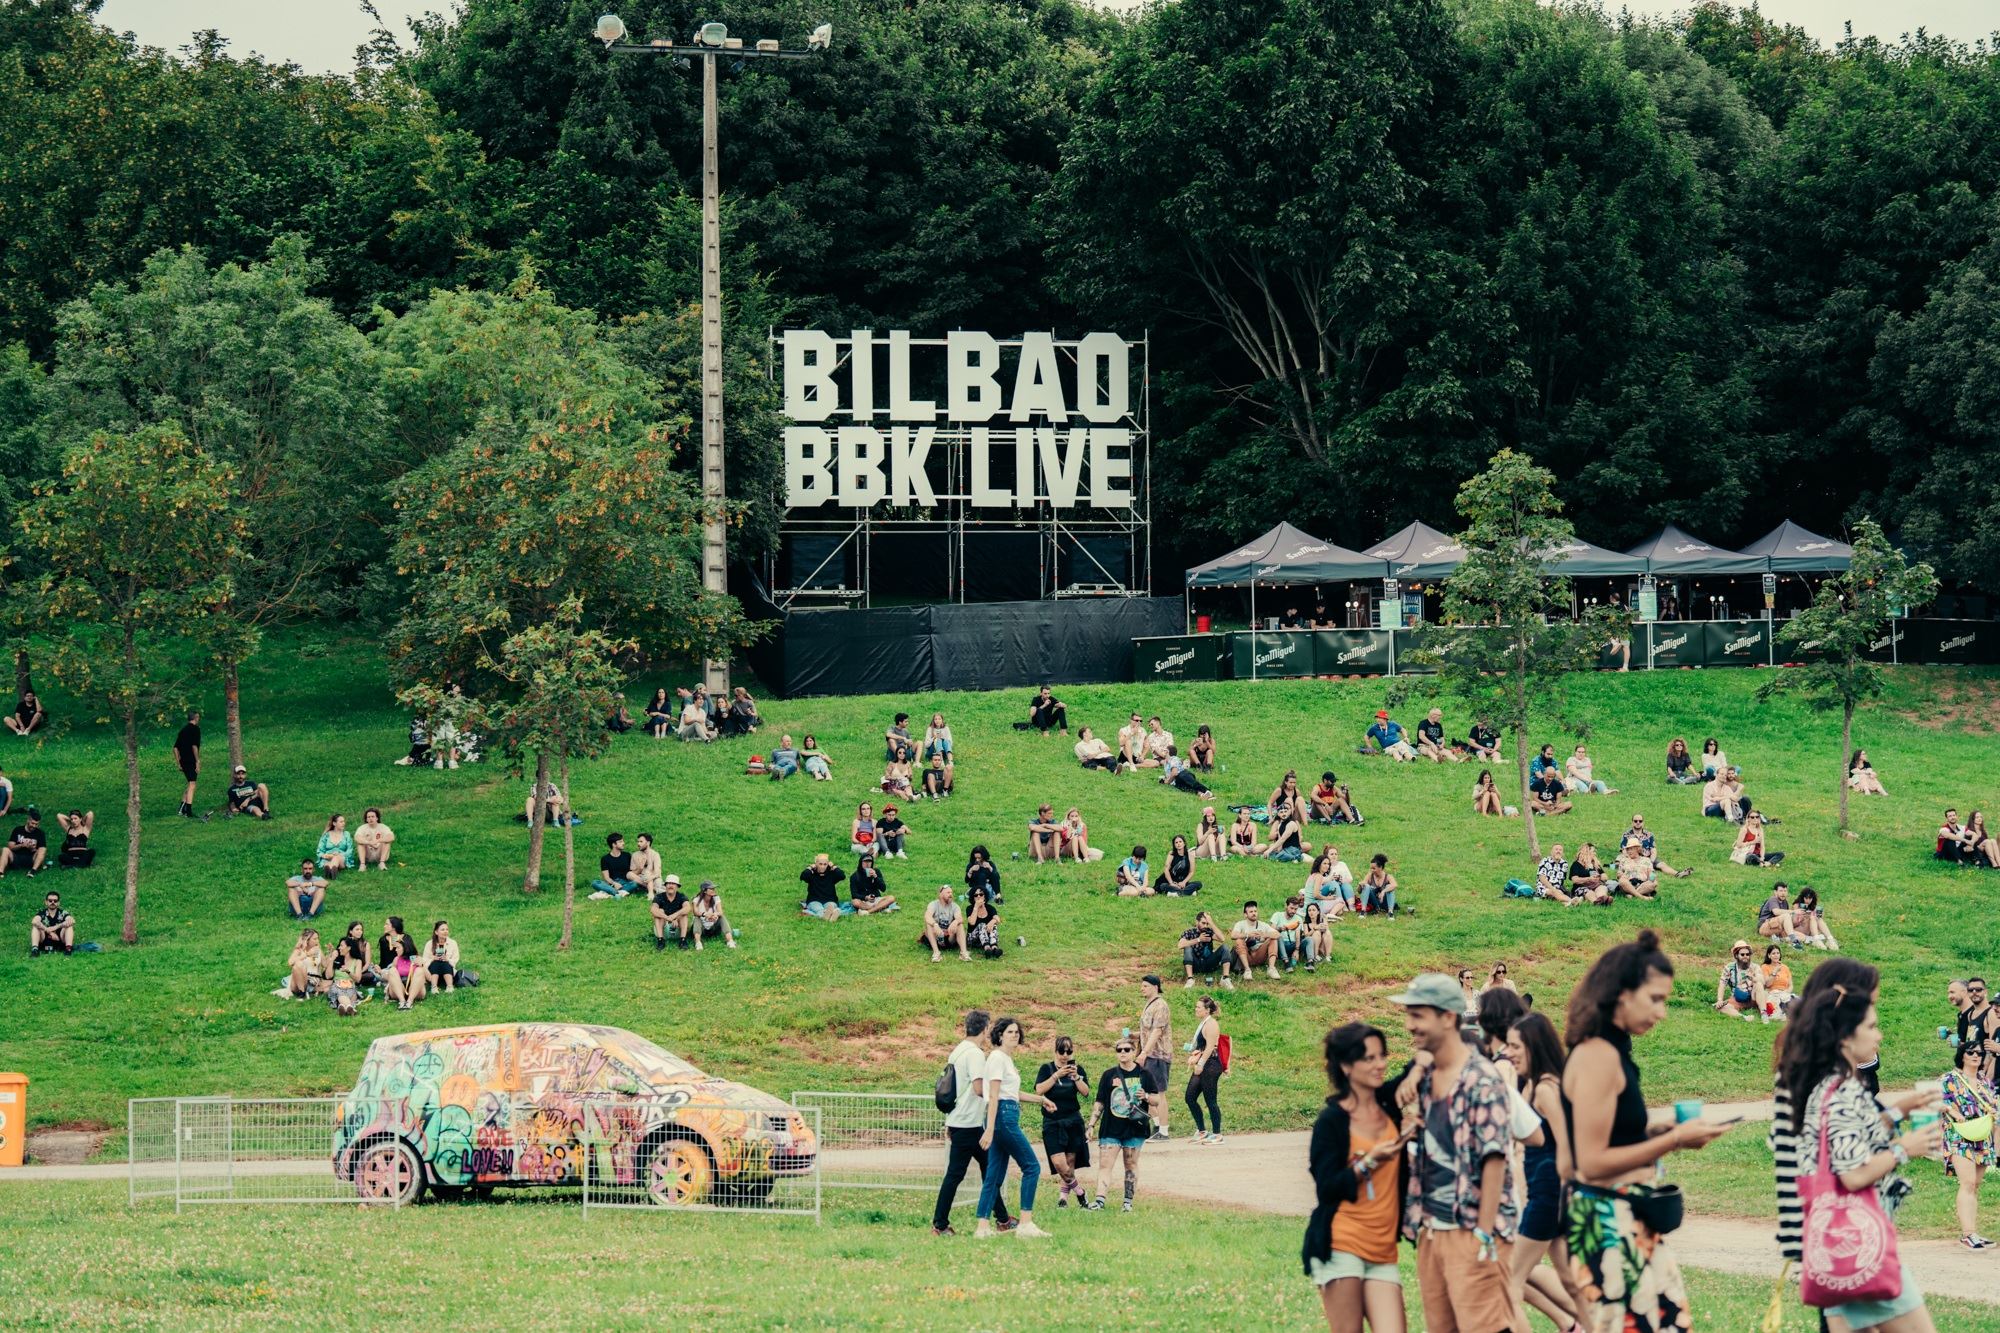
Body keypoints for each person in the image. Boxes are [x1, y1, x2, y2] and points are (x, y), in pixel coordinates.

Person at [1563, 931, 1734, 1333]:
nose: (1662, 1012)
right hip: (1608, 1226)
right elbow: (1588, 1161)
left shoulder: (1614, 1050)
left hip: (1630, 1222)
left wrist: (1660, 1129)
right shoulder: (1597, 1055)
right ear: (1622, 993)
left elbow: (1613, 1136)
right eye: (1656, 999)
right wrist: (1674, 1140)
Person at [1787, 980, 1945, 1330]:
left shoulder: (1826, 1085)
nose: (1879, 1036)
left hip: (1835, 1246)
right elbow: (1853, 1173)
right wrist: (1907, 1148)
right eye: (1871, 1027)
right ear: (1845, 1036)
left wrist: (1900, 1110)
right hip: (1859, 1247)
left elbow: (1847, 1143)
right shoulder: (1844, 1090)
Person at [1387, 971, 1525, 1333]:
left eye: (1418, 1015)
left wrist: (1483, 1233)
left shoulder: (1482, 1079)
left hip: (1473, 1228)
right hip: (1433, 1227)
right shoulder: (1431, 1075)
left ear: (1448, 1017)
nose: (1409, 1025)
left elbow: (1494, 1157)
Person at [1305, 1022, 1417, 1333]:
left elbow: (1419, 1068)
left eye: (1382, 1056)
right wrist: (1369, 1162)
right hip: (1342, 1242)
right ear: (1346, 1066)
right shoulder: (1331, 1121)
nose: (1380, 1064)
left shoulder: (1388, 1103)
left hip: (1383, 1248)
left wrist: (1419, 1069)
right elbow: (1327, 1188)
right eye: (1369, 1058)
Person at [1505, 1012, 1588, 1330]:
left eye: (1515, 1047)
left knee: (1509, 1281)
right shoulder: (1534, 1085)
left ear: (1534, 1047)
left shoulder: (1546, 1090)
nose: (1509, 1053)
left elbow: (1568, 1145)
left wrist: (1566, 1196)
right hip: (1549, 1193)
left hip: (1550, 1194)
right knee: (1571, 1282)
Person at [932, 1010, 1017, 1235]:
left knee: (987, 1169)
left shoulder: (958, 1051)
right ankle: (940, 1224)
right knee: (956, 1174)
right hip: (969, 1123)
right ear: (986, 1028)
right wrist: (999, 1093)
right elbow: (980, 1089)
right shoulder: (975, 1054)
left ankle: (1002, 1218)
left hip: (961, 1120)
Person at [974, 1016, 1048, 1238]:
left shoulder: (1006, 1060)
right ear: (999, 1035)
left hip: (1005, 1114)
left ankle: (983, 1227)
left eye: (1017, 1032)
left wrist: (1042, 1100)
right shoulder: (997, 1058)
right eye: (1009, 1032)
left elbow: (1011, 1093)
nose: (1014, 1035)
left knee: (994, 1175)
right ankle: (1025, 1224)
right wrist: (989, 1129)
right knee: (1032, 1166)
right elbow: (995, 1095)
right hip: (1003, 1117)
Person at [1088, 1033, 1163, 1212]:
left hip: (1134, 1128)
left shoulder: (1145, 1074)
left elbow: (1156, 1100)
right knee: (1105, 1164)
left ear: (1133, 1052)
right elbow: (1100, 1102)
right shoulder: (1108, 1075)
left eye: (1126, 1050)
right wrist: (1091, 1124)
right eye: (1119, 1050)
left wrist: (1144, 1095)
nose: (1122, 1053)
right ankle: (1099, 1200)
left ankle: (1128, 1202)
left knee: (1131, 1164)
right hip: (1110, 1128)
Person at [1941, 1040, 1997, 1249]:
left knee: (1976, 1185)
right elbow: (1935, 1100)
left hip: (1982, 1136)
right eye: (1971, 1052)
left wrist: (1993, 1111)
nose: (1976, 1056)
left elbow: (1993, 1105)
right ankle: (1968, 1233)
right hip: (1959, 1136)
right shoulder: (1950, 1078)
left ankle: (1972, 1231)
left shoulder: (1984, 1081)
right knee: (1968, 1183)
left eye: (1979, 1053)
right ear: (1962, 1055)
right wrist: (1953, 1112)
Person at [1034, 1036, 1093, 1207]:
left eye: (1069, 1051)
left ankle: (1063, 1198)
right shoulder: (1047, 1068)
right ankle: (1080, 1191)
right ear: (1055, 1051)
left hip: (1073, 1120)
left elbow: (1086, 1092)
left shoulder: (1077, 1069)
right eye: (1062, 1051)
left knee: (1070, 1162)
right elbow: (1039, 1090)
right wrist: (1056, 1075)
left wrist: (1076, 1078)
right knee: (1059, 1163)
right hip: (1052, 1121)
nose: (1065, 1055)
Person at [1137, 974, 1175, 1136]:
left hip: (1158, 1055)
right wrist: (1133, 1036)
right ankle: (1157, 1126)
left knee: (1159, 1094)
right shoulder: (1149, 1004)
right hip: (1149, 1054)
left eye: (1145, 986)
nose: (1142, 988)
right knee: (1146, 1093)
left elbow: (1158, 1031)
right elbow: (1148, 1030)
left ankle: (1164, 1131)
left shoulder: (1160, 1005)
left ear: (1155, 987)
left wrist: (1144, 1052)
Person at [1714, 940, 1768, 1022]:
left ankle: (1764, 1013)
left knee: (1758, 984)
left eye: (1747, 954)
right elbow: (1722, 984)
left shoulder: (1755, 967)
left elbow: (1762, 982)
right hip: (1737, 998)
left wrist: (1753, 978)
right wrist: (1720, 1000)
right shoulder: (1729, 967)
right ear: (1736, 955)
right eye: (1742, 954)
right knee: (1721, 1007)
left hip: (1754, 997)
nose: (1745, 956)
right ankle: (1744, 1017)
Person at [378, 917, 424, 1010]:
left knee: (420, 970)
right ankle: (402, 1002)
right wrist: (380, 970)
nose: (396, 950)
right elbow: (384, 961)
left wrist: (421, 964)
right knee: (392, 970)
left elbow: (424, 970)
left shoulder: (407, 940)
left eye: (387, 924)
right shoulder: (384, 940)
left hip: (414, 988)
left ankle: (409, 1002)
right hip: (395, 978)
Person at [1231, 900, 1281, 981]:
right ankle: (1247, 970)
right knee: (1239, 940)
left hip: (1260, 954)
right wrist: (1248, 935)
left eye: (1255, 911)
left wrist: (1264, 935)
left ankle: (1271, 969)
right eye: (1251, 912)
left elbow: (1278, 934)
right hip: (1247, 955)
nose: (1254, 913)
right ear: (1245, 915)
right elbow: (1233, 935)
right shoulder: (1240, 924)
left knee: (1273, 939)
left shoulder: (1263, 924)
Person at [1179, 913, 1232, 989]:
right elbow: (1180, 945)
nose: (1205, 926)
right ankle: (1190, 979)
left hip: (1209, 963)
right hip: (1195, 963)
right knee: (1187, 948)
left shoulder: (1209, 932)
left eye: (1207, 924)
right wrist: (1198, 939)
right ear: (1197, 922)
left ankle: (1225, 978)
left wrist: (1211, 923)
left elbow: (1222, 939)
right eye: (1203, 923)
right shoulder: (1189, 932)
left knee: (1225, 947)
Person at [922, 885, 969, 961]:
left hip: (949, 938)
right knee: (929, 924)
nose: (951, 894)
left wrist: (956, 921)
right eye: (948, 892)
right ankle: (936, 953)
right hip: (936, 936)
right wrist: (935, 924)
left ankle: (963, 953)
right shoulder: (933, 904)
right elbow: (927, 916)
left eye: (951, 892)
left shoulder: (955, 906)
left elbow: (960, 918)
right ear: (940, 894)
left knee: (959, 924)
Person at [798, 854, 847, 920]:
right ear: (816, 864)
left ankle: (830, 914)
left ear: (828, 864)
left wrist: (833, 866)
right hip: (814, 900)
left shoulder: (831, 874)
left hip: (830, 899)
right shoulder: (811, 874)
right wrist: (810, 867)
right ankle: (827, 916)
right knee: (819, 909)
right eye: (820, 864)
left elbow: (842, 876)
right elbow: (803, 876)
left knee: (831, 906)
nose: (822, 866)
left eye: (825, 864)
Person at [1308, 846, 1356, 913]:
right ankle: (1342, 905)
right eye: (1332, 854)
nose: (1334, 856)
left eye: (1336, 854)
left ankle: (1351, 905)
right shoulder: (1324, 867)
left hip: (1342, 885)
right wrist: (1331, 878)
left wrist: (1341, 879)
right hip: (1329, 890)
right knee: (1334, 883)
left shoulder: (1342, 864)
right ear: (1326, 856)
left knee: (1346, 885)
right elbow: (1321, 880)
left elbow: (1350, 879)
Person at [652, 874, 694, 949]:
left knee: (683, 914)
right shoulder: (659, 896)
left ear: (677, 886)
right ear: (665, 885)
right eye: (668, 883)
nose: (670, 885)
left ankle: (683, 940)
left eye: (673, 884)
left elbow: (688, 908)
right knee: (659, 912)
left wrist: (675, 916)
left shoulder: (681, 896)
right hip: (663, 929)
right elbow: (653, 910)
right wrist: (666, 917)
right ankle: (660, 940)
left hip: (678, 929)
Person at [691, 880, 737, 948]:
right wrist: (704, 914)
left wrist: (715, 914)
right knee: (697, 918)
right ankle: (698, 942)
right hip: (702, 928)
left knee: (722, 917)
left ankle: (730, 941)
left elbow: (720, 912)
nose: (714, 890)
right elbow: (695, 912)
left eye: (714, 888)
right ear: (704, 891)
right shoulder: (696, 899)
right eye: (711, 889)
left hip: (713, 928)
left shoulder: (716, 898)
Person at [1275, 894, 1315, 973]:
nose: (1293, 911)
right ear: (1286, 906)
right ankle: (1286, 963)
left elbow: (1298, 934)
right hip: (1280, 945)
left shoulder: (1298, 918)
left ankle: (1310, 962)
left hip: (1293, 944)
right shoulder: (1277, 915)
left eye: (1295, 909)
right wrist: (1279, 929)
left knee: (1309, 939)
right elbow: (1271, 930)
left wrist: (1296, 950)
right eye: (1291, 908)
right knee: (1278, 937)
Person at [0, 809, 46, 877]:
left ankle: (32, 871)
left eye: (36, 824)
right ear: (28, 820)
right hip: (16, 857)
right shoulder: (18, 830)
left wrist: (33, 848)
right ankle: (1, 872)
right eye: (32, 823)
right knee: (5, 849)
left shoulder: (40, 833)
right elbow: (10, 846)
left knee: (42, 850)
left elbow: (42, 851)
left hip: (31, 859)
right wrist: (22, 845)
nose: (34, 826)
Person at [1757, 882, 1804, 947]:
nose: (1783, 893)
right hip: (1765, 927)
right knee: (1786, 915)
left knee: (1802, 937)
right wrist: (1794, 911)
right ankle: (1794, 941)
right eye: (1781, 891)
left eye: (1785, 891)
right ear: (1775, 892)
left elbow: (1787, 920)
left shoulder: (1785, 902)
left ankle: (1780, 940)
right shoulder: (1773, 899)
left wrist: (1798, 917)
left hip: (1778, 928)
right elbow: (1776, 912)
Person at [173, 709, 201, 816]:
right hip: (190, 761)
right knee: (192, 784)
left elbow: (175, 748)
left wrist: (178, 762)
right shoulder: (195, 729)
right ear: (195, 718)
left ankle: (182, 808)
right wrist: (197, 761)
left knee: (190, 784)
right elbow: (194, 746)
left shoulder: (183, 730)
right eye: (198, 717)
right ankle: (188, 812)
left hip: (183, 761)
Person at [28, 891, 74, 956]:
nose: (53, 902)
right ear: (46, 902)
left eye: (55, 901)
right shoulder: (42, 913)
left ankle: (68, 949)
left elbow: (72, 920)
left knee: (69, 926)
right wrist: (48, 930)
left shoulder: (63, 913)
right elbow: (34, 921)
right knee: (35, 926)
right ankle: (35, 950)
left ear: (58, 903)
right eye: (50, 900)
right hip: (44, 939)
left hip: (60, 939)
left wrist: (56, 927)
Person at [1792, 886, 1837, 950]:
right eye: (1806, 898)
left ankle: (1830, 939)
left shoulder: (1813, 906)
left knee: (1818, 918)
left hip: (1809, 930)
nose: (1808, 900)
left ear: (1813, 899)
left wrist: (1819, 914)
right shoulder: (1797, 905)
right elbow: (1796, 918)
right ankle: (1816, 940)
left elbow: (1818, 917)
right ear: (1803, 897)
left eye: (1810, 898)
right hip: (1799, 928)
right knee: (1813, 917)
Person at [286, 927, 326, 998]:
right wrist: (307, 954)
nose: (317, 941)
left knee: (299, 964)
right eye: (315, 939)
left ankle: (302, 993)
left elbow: (325, 964)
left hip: (312, 981)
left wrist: (331, 954)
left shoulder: (318, 950)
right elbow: (290, 962)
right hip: (298, 982)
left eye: (318, 938)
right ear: (307, 940)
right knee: (298, 964)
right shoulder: (299, 950)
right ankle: (302, 992)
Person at [1760, 944, 1796, 1018]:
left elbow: (1790, 985)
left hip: (1785, 993)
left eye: (1778, 953)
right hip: (1772, 993)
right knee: (1776, 1010)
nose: (1776, 955)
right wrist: (1775, 971)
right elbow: (1767, 984)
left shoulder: (1785, 967)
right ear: (1769, 955)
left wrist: (1786, 993)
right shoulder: (1765, 967)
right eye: (1773, 953)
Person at [353, 808, 394, 872]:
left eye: (372, 816)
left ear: (377, 818)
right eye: (368, 817)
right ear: (366, 819)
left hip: (379, 852)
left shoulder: (383, 827)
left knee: (387, 842)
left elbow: (391, 837)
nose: (370, 818)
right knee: (360, 843)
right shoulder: (362, 828)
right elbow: (357, 838)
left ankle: (382, 863)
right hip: (368, 854)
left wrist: (378, 841)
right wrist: (368, 842)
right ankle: (362, 865)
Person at [1357, 854, 1397, 918]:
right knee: (1366, 886)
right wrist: (1360, 886)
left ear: (1380, 867)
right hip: (1374, 902)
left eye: (1374, 868)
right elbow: (1359, 891)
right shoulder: (1370, 876)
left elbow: (1395, 885)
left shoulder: (1388, 877)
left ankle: (1390, 912)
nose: (1372, 870)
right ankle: (1363, 911)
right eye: (1371, 868)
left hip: (1384, 902)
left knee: (1389, 886)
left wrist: (1383, 891)